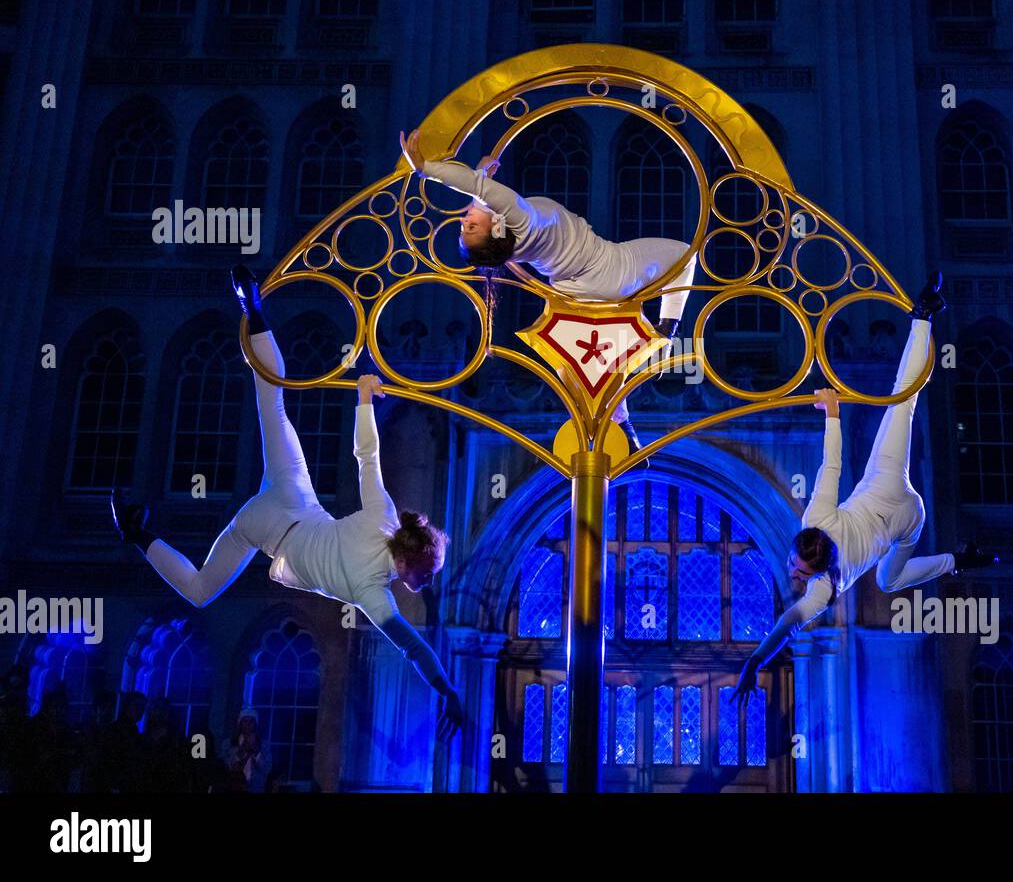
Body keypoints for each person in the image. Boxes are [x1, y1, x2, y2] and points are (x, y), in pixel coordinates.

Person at [110, 265, 465, 740]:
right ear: (405, 562)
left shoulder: (383, 518)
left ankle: (254, 311)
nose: (423, 583)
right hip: (265, 528)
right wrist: (447, 690)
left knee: (271, 401)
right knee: (198, 592)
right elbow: (414, 649)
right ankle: (137, 533)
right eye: (423, 575)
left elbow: (367, 456)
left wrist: (363, 398)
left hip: (294, 494)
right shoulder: (371, 594)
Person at [735, 272, 999, 702]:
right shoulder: (819, 552)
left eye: (794, 566)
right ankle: (923, 317)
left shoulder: (824, 573)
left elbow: (789, 624)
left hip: (904, 516)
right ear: (816, 569)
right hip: (889, 490)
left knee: (889, 578)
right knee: (903, 400)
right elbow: (831, 464)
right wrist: (832, 412)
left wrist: (756, 661)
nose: (792, 572)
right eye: (799, 570)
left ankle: (958, 559)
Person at [400, 127, 697, 451]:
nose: (464, 220)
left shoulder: (506, 244)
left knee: (603, 367)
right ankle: (668, 330)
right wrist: (424, 169)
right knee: (683, 254)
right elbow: (479, 190)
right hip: (611, 270)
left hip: (572, 292)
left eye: (463, 227)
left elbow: (483, 202)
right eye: (469, 228)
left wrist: (482, 174)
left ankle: (622, 426)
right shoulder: (521, 219)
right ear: (494, 231)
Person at [226, 708, 271, 793]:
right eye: (245, 721)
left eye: (251, 722)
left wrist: (256, 753)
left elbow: (267, 769)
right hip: (234, 788)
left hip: (257, 788)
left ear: (256, 724)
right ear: (240, 723)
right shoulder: (228, 744)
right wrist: (240, 753)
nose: (248, 724)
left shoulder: (264, 745)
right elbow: (226, 767)